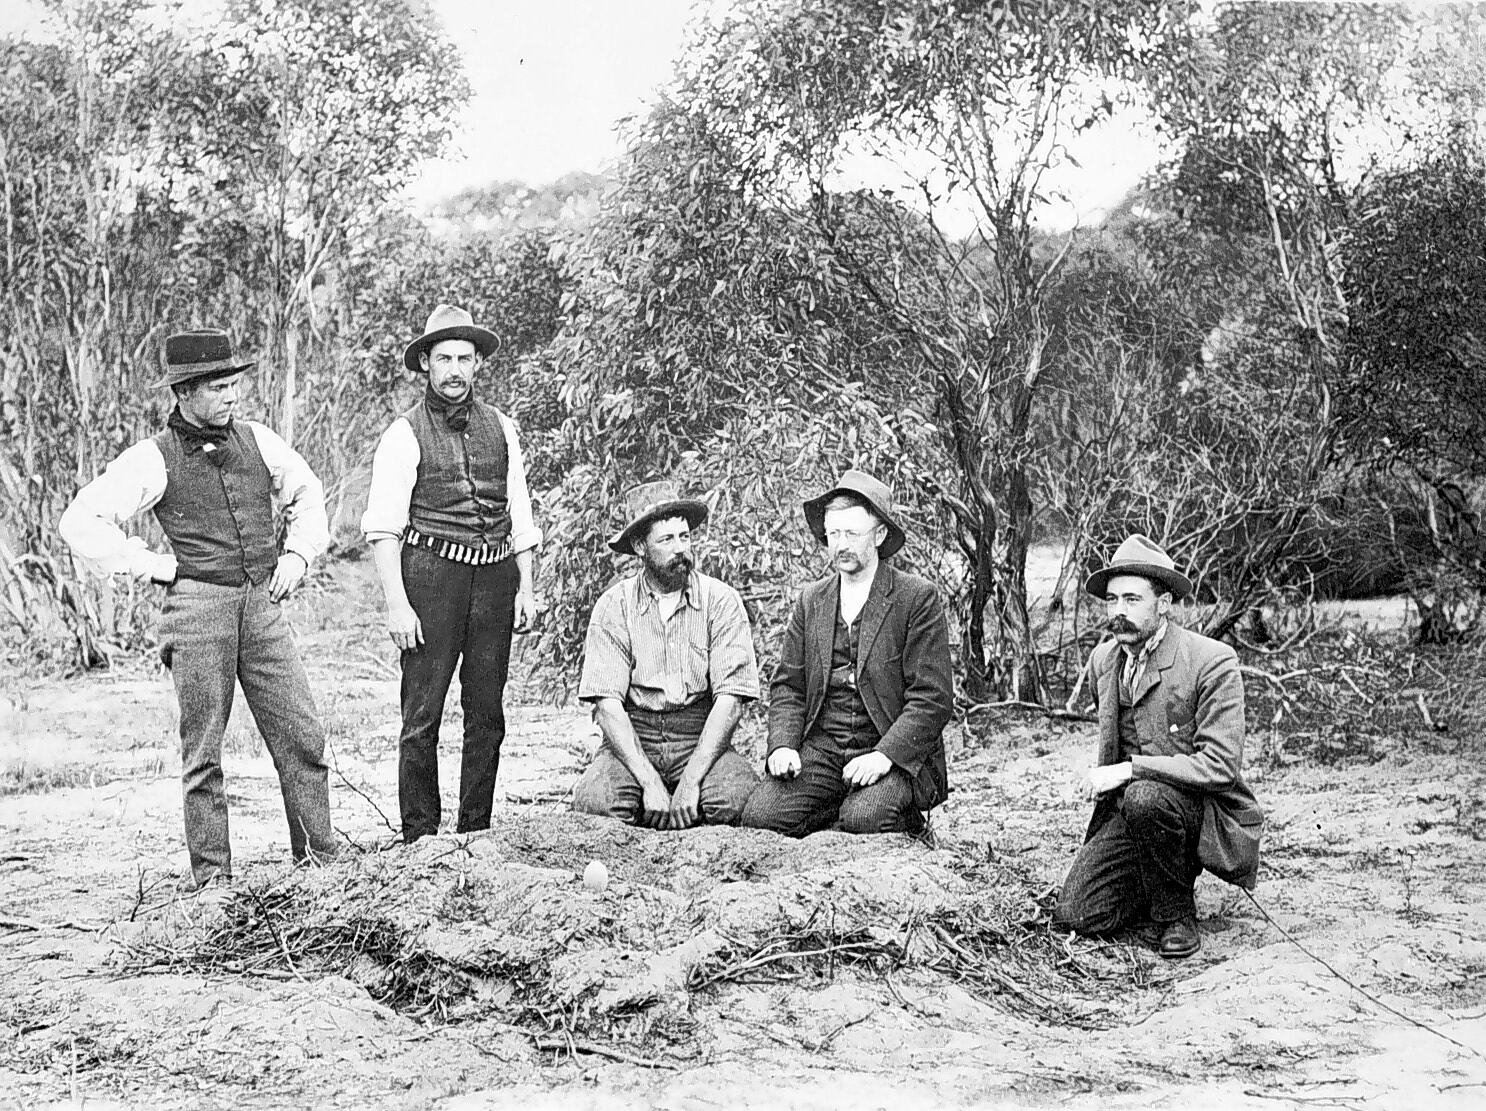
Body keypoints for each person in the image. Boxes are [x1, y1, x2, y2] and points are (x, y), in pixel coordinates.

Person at [59, 328, 341, 889]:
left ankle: (320, 871)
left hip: (261, 607)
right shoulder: (151, 458)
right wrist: (149, 563)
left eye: (235, 384)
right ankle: (213, 886)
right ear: (185, 393)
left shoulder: (259, 440)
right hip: (197, 610)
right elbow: (80, 520)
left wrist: (299, 555)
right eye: (218, 387)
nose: (232, 395)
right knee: (204, 749)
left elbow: (309, 493)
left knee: (302, 734)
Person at [362, 305, 542, 844]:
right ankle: (419, 838)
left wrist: (526, 588)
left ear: (478, 363)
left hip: (495, 581)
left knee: (487, 711)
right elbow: (382, 528)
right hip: (432, 580)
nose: (455, 369)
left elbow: (521, 511)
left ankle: (476, 832)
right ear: (425, 364)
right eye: (444, 358)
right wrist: (398, 603)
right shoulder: (403, 434)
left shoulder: (503, 427)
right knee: (422, 715)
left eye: (465, 358)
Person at [1052, 534, 1264, 959]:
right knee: (1077, 915)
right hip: (1132, 811)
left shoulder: (1212, 660)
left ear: (1164, 603)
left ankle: (1175, 913)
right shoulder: (1104, 662)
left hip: (1194, 813)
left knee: (1146, 796)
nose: (1118, 612)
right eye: (1112, 601)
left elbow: (1220, 766)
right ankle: (1151, 881)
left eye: (1132, 599)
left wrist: (1131, 769)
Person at [741, 469, 953, 836]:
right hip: (823, 748)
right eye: (833, 534)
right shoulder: (812, 600)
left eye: (852, 534)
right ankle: (833, 805)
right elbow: (789, 686)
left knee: (864, 819)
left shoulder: (916, 598)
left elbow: (932, 699)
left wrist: (885, 756)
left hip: (886, 745)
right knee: (761, 816)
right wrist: (784, 746)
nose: (841, 545)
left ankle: (894, 816)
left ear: (880, 534)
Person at [572, 482, 760, 828]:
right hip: (635, 733)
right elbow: (607, 706)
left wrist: (690, 782)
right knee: (597, 803)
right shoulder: (614, 606)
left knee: (739, 802)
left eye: (685, 537)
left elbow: (731, 701)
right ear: (640, 547)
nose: (681, 550)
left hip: (699, 734)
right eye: (667, 540)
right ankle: (649, 807)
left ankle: (683, 806)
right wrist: (649, 782)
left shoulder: (722, 601)